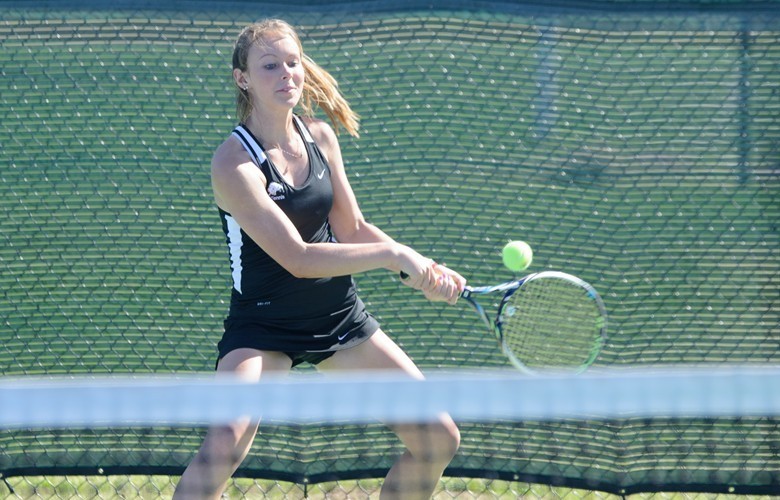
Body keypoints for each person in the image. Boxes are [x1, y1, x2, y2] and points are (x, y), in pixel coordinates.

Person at [173, 19, 465, 500]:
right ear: (242, 79)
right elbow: (299, 258)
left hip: (336, 318)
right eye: (270, 66)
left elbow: (351, 228)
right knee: (221, 448)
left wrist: (423, 265)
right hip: (264, 326)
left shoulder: (320, 138)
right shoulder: (234, 163)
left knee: (438, 438)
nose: (286, 73)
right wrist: (394, 254)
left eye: (292, 63)